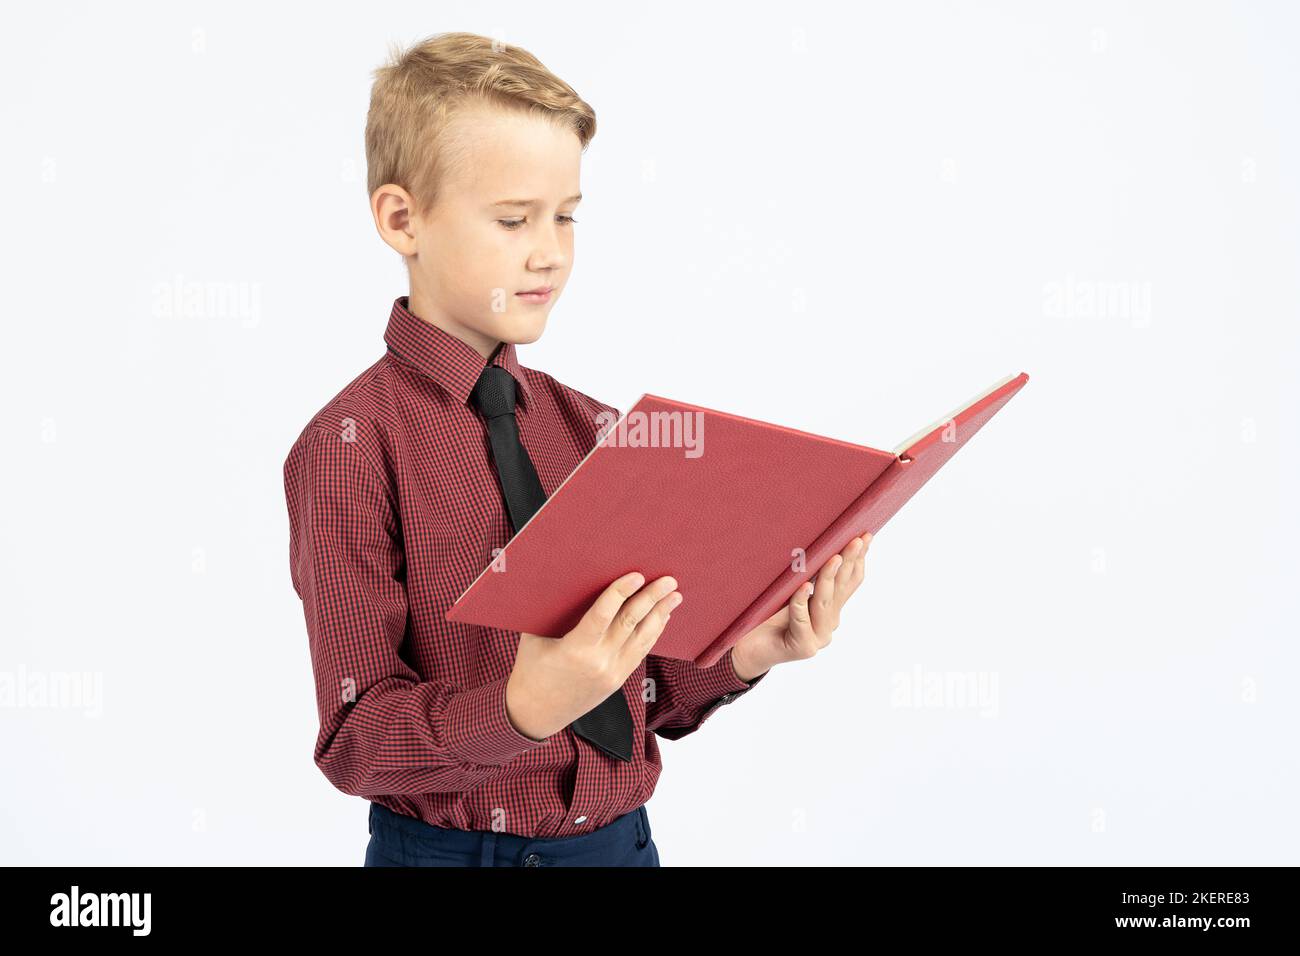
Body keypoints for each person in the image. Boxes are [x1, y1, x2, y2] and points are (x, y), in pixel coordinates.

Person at [282, 31, 874, 867]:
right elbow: (356, 741)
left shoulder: (596, 431)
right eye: (514, 217)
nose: (550, 250)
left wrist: (746, 650)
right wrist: (520, 707)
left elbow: (640, 691)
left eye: (566, 215)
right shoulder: (349, 445)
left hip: (621, 849)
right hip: (450, 856)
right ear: (401, 218)